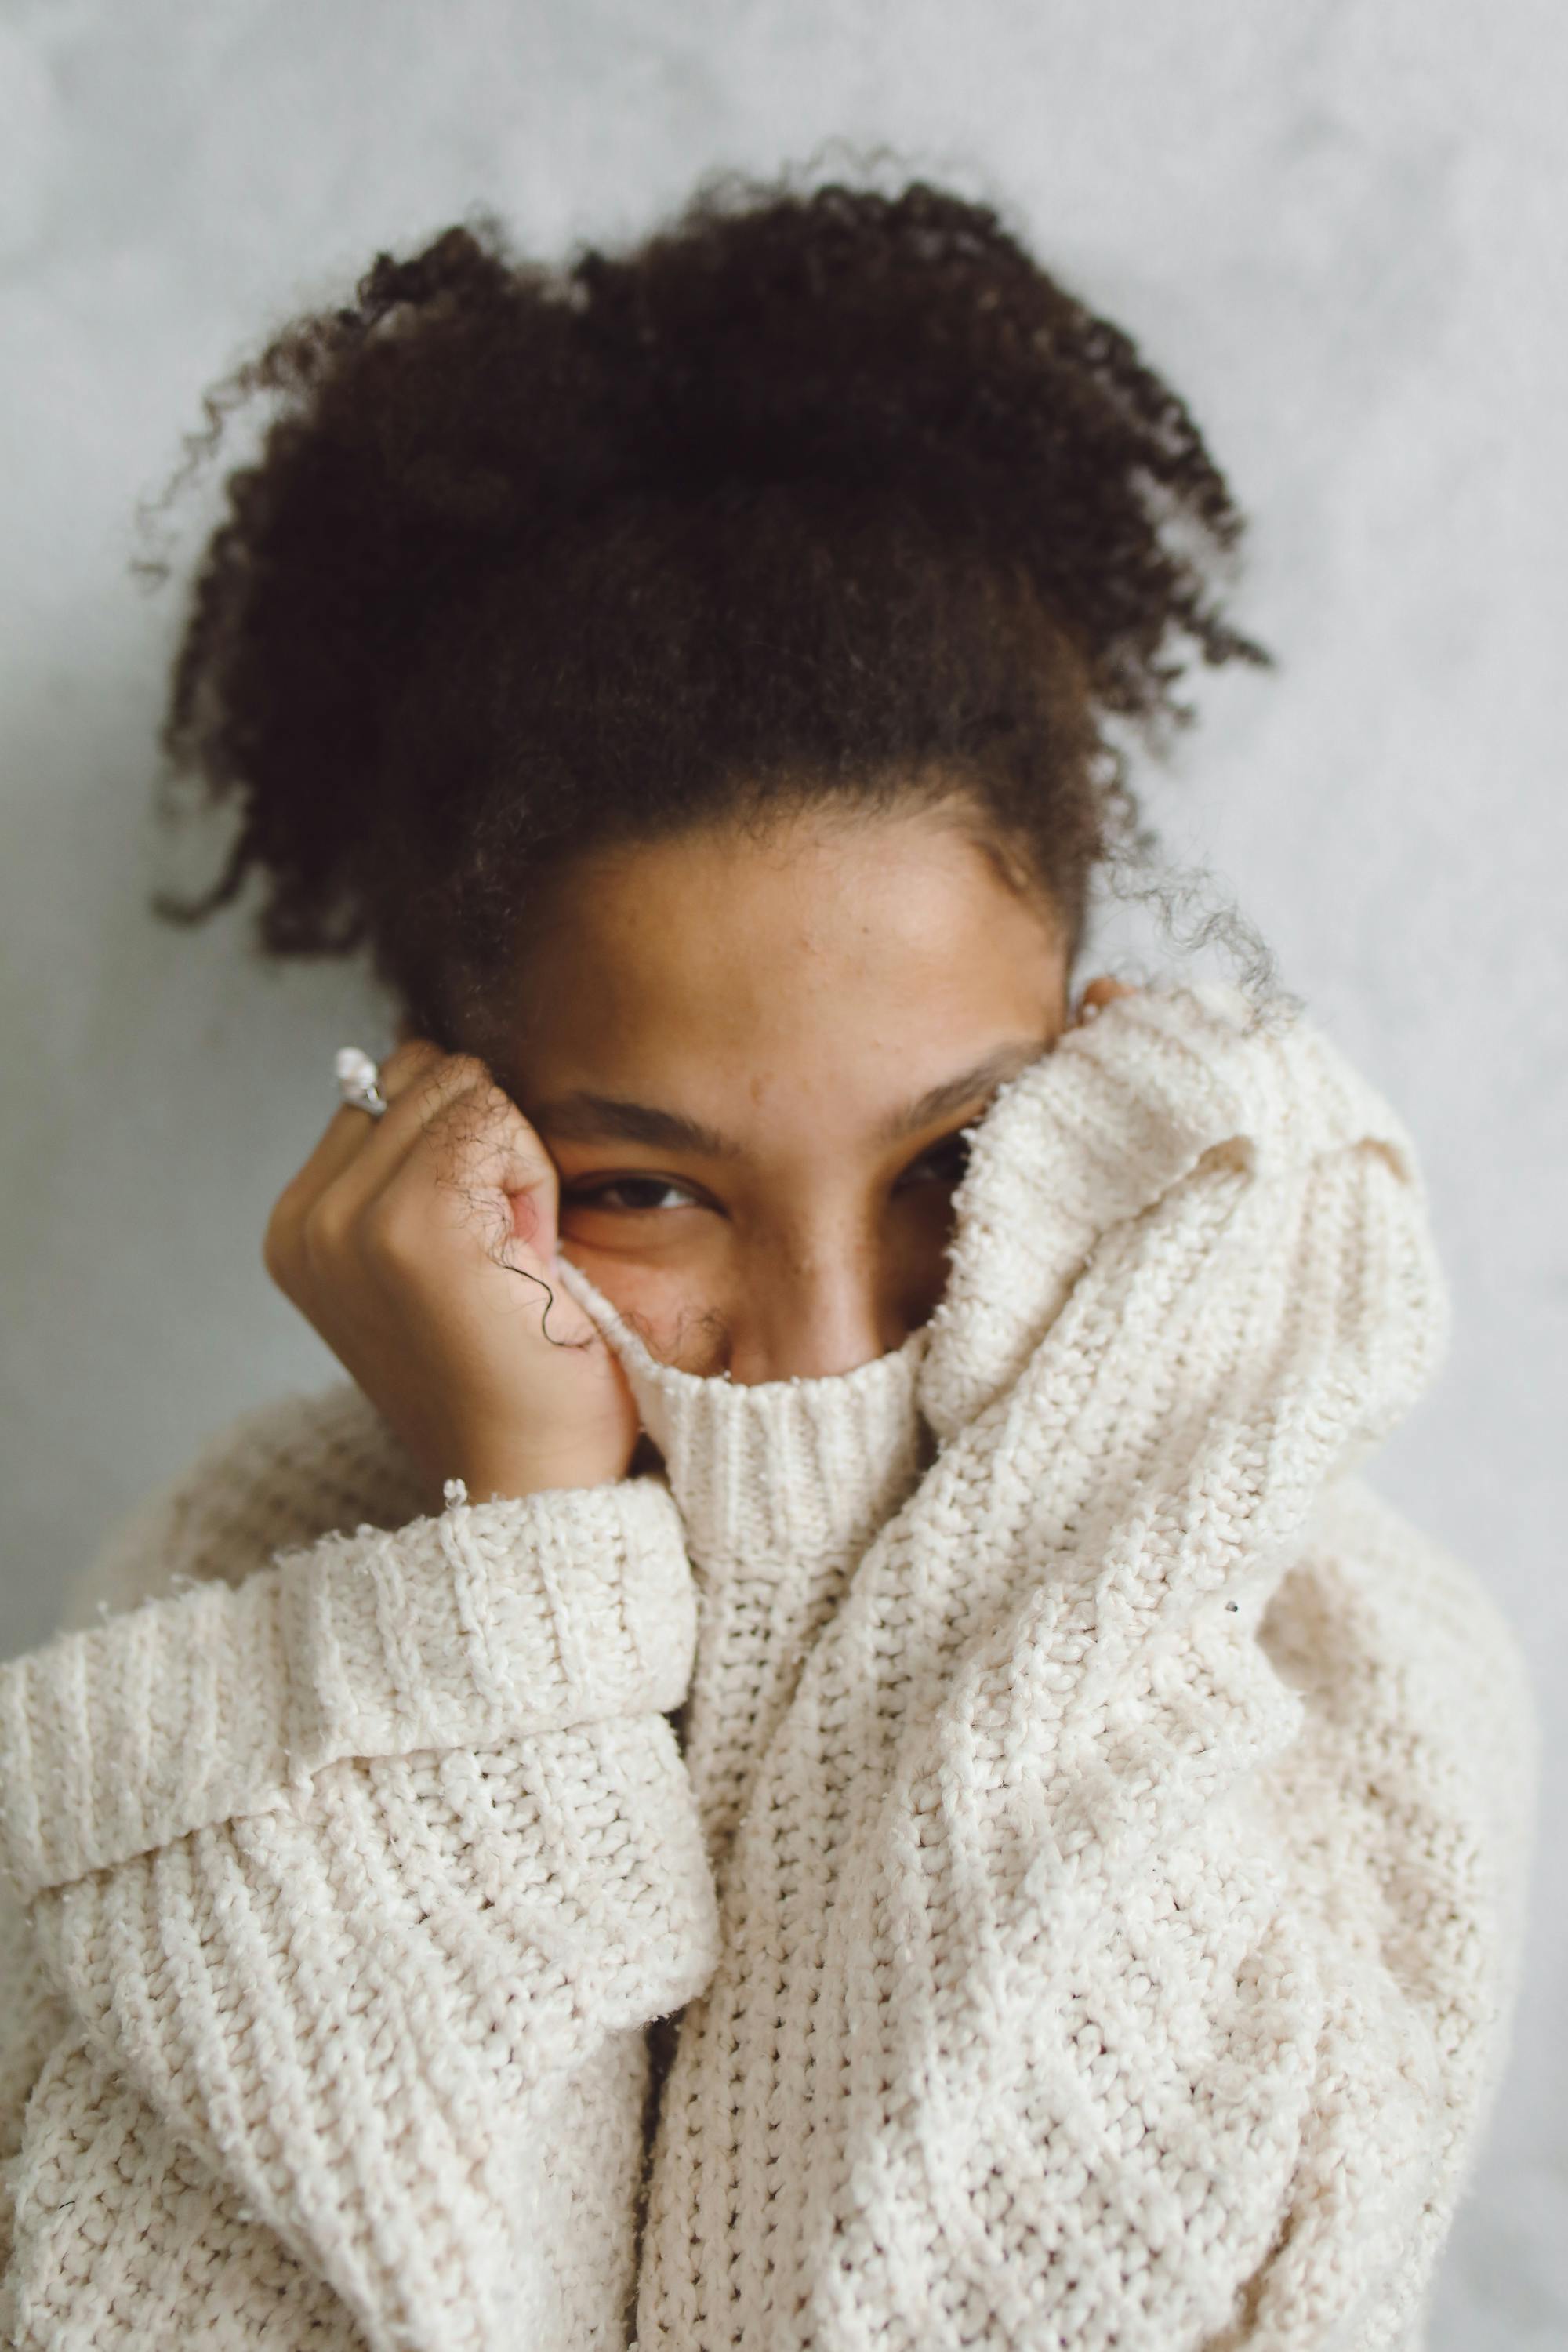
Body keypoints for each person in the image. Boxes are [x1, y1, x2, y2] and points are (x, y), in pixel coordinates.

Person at [0, 169, 1537, 2351]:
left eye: (955, 1163)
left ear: (1103, 1071)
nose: (827, 1350)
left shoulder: (1330, 1650)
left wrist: (1178, 1363)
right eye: (648, 1189)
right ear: (455, 1141)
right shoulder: (260, 1616)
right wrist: (508, 1579)